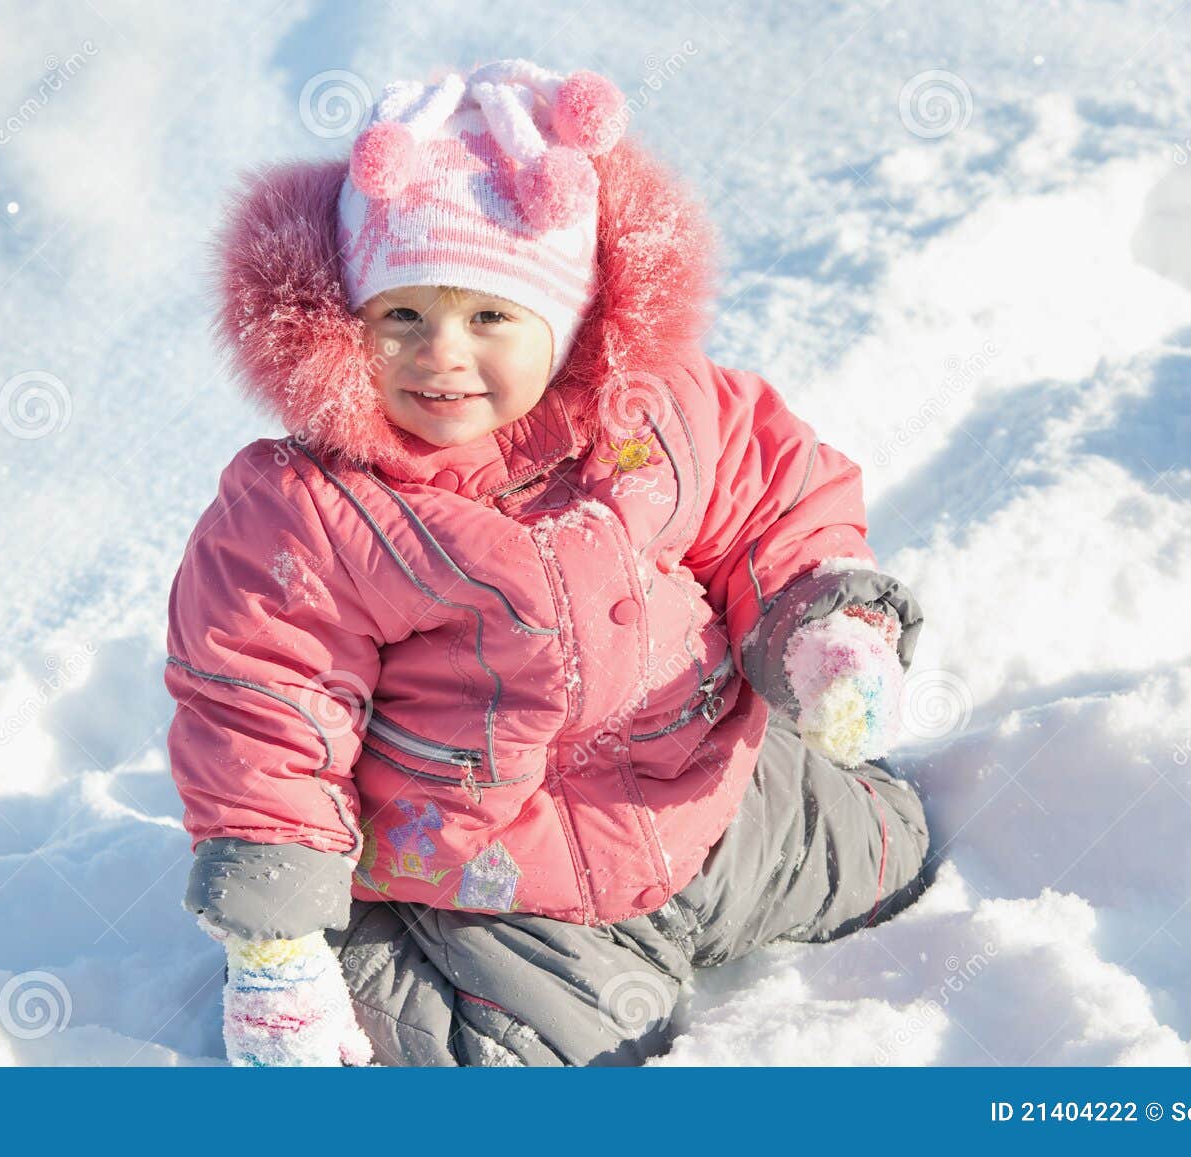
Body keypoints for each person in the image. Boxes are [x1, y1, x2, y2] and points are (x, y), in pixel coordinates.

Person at [164, 58, 934, 1067]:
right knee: (532, 1063)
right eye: (402, 315)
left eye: (489, 315)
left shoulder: (655, 415)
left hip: (710, 799)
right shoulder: (311, 508)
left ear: (565, 321)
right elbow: (264, 707)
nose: (442, 352)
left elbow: (774, 502)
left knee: (891, 848)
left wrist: (827, 629)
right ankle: (357, 951)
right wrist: (276, 939)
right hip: (498, 885)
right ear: (350, 325)